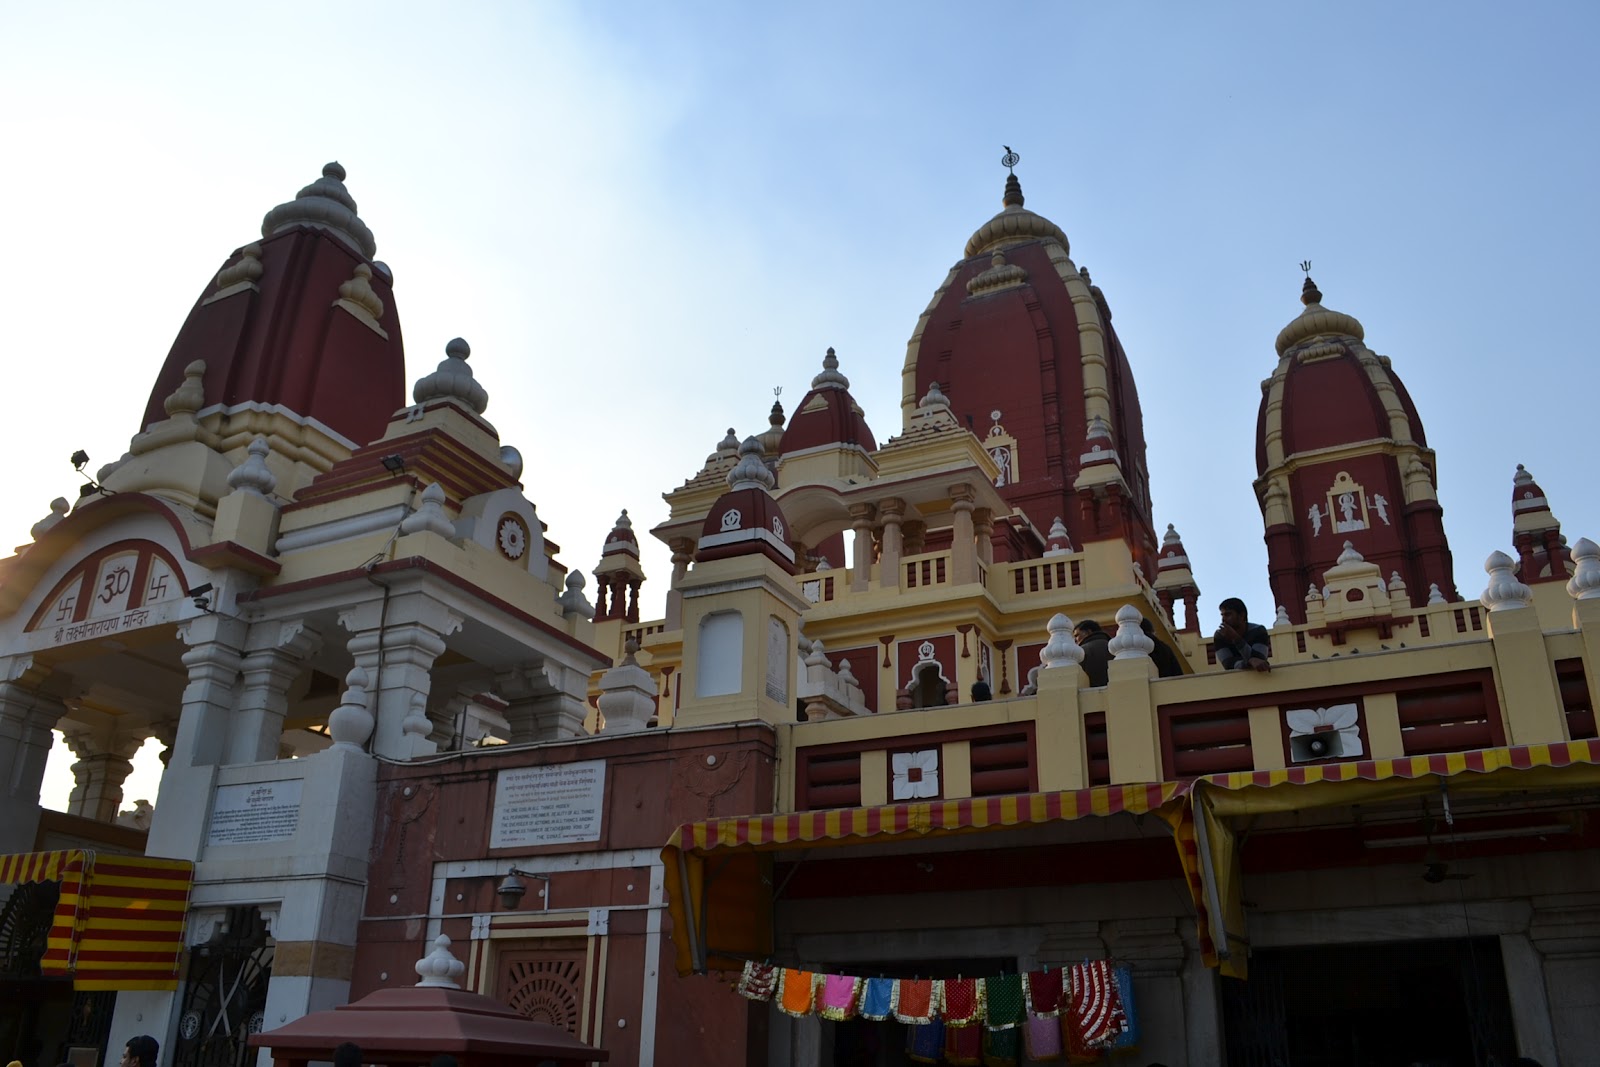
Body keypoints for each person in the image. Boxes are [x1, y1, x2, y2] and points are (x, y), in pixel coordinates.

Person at [1214, 598, 1270, 672]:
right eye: (1222, 615)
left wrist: (1236, 639)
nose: (1223, 620)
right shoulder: (1220, 636)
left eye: (1228, 614)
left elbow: (1259, 660)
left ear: (1241, 615)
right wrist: (1248, 662)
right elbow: (1228, 664)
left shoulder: (1258, 631)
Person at [1072, 620, 1112, 686]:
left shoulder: (1081, 651)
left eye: (1077, 635)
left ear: (1088, 632)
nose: (1075, 640)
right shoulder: (1113, 647)